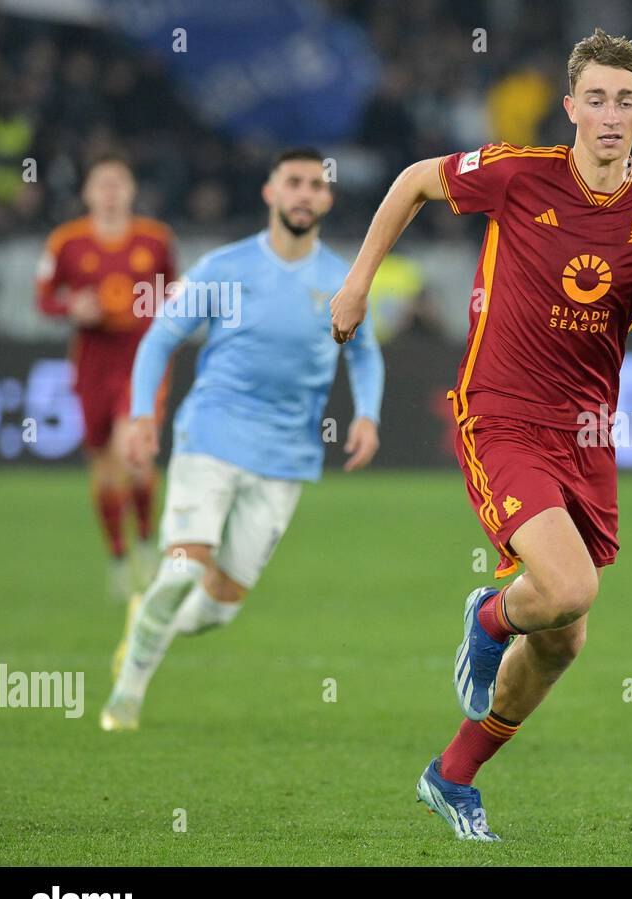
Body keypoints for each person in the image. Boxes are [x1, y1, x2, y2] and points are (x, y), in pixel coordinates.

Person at [330, 28, 632, 840]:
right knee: (567, 590)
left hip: (586, 436)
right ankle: (488, 617)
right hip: (500, 413)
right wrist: (356, 282)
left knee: (563, 639)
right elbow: (415, 181)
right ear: (571, 107)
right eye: (596, 98)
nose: (610, 113)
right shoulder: (520, 174)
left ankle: (452, 775)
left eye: (626, 101)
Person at [99, 148, 385, 731]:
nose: (305, 193)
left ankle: (146, 618)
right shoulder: (223, 267)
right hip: (210, 436)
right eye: (294, 183)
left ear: (327, 199)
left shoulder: (340, 279)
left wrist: (367, 416)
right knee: (181, 570)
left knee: (217, 612)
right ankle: (125, 698)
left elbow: (365, 353)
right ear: (270, 193)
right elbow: (159, 339)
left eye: (315, 185)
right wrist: (139, 416)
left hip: (285, 459)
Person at [35, 154, 175, 600]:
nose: (111, 193)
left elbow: (173, 292)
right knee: (105, 465)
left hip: (140, 358)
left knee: (132, 452)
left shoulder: (154, 240)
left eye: (119, 183)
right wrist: (70, 307)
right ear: (88, 193)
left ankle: (148, 543)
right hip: (93, 359)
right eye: (103, 185)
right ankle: (118, 554)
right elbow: (45, 298)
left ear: (132, 191)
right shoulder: (66, 242)